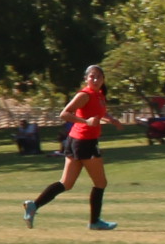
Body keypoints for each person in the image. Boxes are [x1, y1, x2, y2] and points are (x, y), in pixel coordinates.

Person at [25, 65, 119, 231]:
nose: (95, 79)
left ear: (103, 79)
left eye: (99, 76)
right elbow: (65, 114)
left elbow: (99, 112)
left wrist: (111, 119)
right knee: (100, 183)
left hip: (76, 141)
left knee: (66, 183)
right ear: (86, 79)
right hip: (85, 142)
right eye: (92, 76)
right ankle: (95, 222)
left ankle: (34, 205)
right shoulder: (84, 95)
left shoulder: (99, 94)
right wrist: (86, 122)